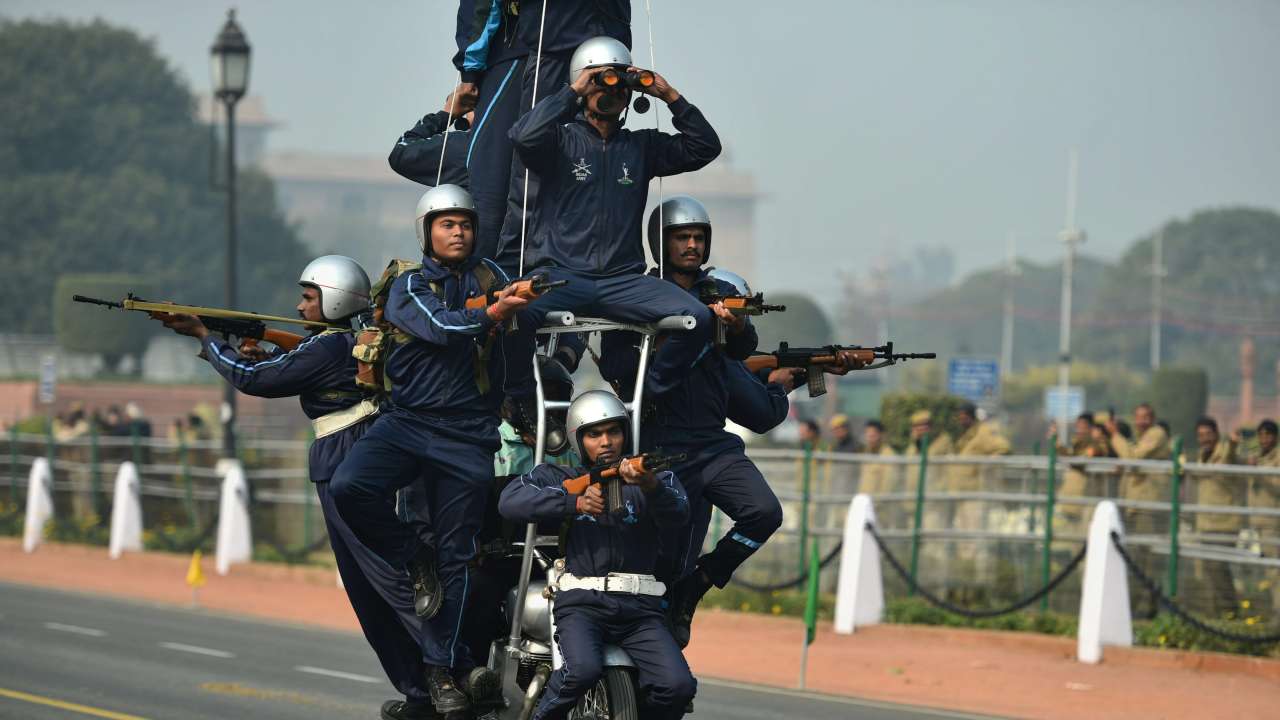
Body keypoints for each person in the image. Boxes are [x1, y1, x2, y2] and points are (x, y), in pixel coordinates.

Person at [153, 256, 439, 719]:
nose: (299, 305)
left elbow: (258, 381)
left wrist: (207, 339)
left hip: (348, 454)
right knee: (365, 589)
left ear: (336, 298)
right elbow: (287, 366)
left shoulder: (328, 347)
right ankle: (420, 692)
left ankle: (450, 674)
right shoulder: (333, 342)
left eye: (309, 296)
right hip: (344, 452)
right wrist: (255, 346)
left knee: (386, 581)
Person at [329, 185, 527, 717]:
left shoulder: (496, 279)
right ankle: (412, 557)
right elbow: (439, 326)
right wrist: (491, 313)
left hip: (469, 434)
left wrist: (525, 306)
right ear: (427, 233)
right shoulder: (409, 284)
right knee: (350, 488)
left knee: (458, 556)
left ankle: (441, 672)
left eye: (464, 223)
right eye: (446, 224)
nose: (458, 231)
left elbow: (522, 333)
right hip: (409, 423)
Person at [498, 36, 722, 452]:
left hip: (623, 281)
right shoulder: (560, 140)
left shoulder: (641, 147)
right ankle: (520, 398)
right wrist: (572, 91)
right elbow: (523, 137)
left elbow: (704, 146)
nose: (611, 91)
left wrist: (669, 95)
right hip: (561, 276)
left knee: (697, 318)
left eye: (619, 84)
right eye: (600, 82)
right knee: (515, 311)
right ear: (584, 85)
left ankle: (652, 395)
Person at [597, 196, 780, 649]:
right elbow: (617, 367)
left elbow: (742, 348)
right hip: (661, 444)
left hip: (713, 444)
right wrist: (674, 339)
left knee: (763, 513)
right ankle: (645, 648)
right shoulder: (636, 294)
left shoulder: (717, 289)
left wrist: (733, 325)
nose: (692, 246)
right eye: (682, 237)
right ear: (662, 243)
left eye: (699, 238)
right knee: (665, 556)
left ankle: (698, 584)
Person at [498, 390, 694, 720]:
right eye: (594, 434)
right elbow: (510, 501)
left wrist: (650, 486)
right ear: (578, 439)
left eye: (613, 431)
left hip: (640, 610)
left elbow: (680, 514)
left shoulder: (656, 478)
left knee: (678, 687)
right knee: (580, 672)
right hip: (582, 604)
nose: (606, 442)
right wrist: (573, 503)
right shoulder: (559, 476)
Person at [1107, 402, 1170, 617]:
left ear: (1152, 419)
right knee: (1136, 560)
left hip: (1147, 507)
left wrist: (1115, 435)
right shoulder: (1141, 439)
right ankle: (1135, 607)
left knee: (1147, 561)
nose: (1140, 421)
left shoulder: (1156, 434)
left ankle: (1146, 608)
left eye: (1145, 417)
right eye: (1138, 417)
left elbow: (1132, 459)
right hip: (1135, 506)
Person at [1184, 416, 1240, 614]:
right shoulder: (1201, 456)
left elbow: (1230, 457)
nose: (1205, 439)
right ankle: (1217, 613)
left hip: (1225, 523)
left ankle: (1230, 610)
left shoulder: (1223, 452)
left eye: (1208, 434)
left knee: (1218, 566)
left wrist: (1232, 443)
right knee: (1209, 569)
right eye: (1201, 435)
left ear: (1216, 434)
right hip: (1206, 522)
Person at [1247, 419, 1279, 612]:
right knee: (1267, 572)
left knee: (1275, 571)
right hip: (1257, 520)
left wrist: (1259, 472)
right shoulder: (1258, 457)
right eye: (1261, 435)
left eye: (1268, 435)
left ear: (1276, 437)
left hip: (1273, 522)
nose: (1264, 439)